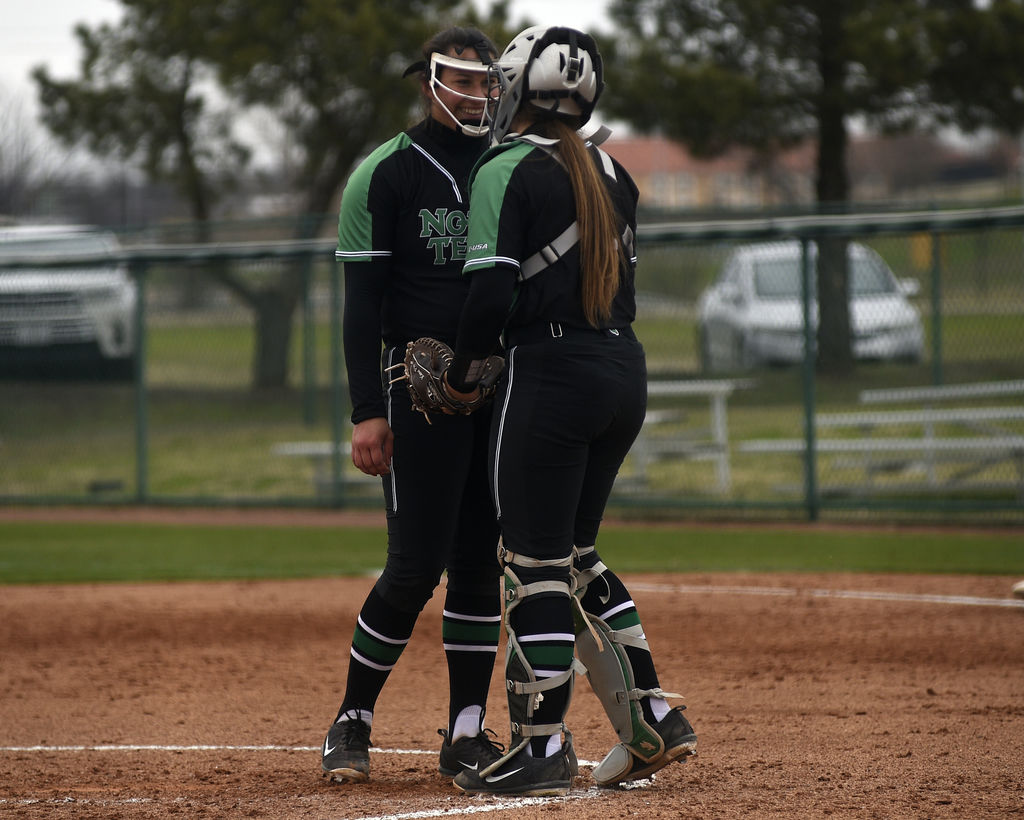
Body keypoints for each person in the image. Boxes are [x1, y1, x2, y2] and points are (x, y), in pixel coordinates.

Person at [438, 26, 698, 796]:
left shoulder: (506, 166)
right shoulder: (615, 170)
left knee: (534, 564)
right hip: (622, 369)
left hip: (551, 373)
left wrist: (458, 376)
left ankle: (541, 744)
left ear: (518, 91)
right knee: (578, 556)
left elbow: (487, 295)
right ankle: (652, 715)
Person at [320, 26, 505, 785]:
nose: (474, 94)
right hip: (416, 387)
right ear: (429, 83)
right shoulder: (384, 174)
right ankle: (352, 718)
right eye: (459, 80)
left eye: (485, 81)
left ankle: (466, 731)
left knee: (477, 565)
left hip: (498, 383)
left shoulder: (510, 165)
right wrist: (369, 410)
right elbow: (361, 308)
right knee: (414, 566)